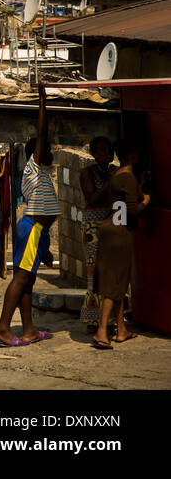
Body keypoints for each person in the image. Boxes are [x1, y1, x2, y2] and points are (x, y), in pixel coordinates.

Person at [0, 86, 58, 348]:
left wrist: (46, 248)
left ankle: (29, 329)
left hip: (38, 233)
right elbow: (41, 133)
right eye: (48, 149)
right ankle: (3, 328)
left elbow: (47, 214)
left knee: (28, 280)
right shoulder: (34, 165)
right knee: (21, 279)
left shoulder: (40, 175)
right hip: (31, 229)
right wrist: (43, 102)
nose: (51, 153)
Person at [92, 142, 151, 349]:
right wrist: (147, 200)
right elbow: (132, 210)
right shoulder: (127, 177)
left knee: (118, 281)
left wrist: (140, 186)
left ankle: (121, 329)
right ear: (132, 156)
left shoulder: (117, 174)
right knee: (115, 283)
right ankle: (101, 332)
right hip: (119, 232)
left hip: (111, 229)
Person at [78, 135, 115, 332]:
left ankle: (109, 319)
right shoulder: (87, 173)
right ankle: (93, 320)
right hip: (92, 226)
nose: (107, 154)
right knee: (94, 272)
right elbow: (92, 198)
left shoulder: (115, 172)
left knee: (111, 272)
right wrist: (109, 182)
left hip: (111, 225)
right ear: (94, 154)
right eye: (102, 150)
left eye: (109, 150)